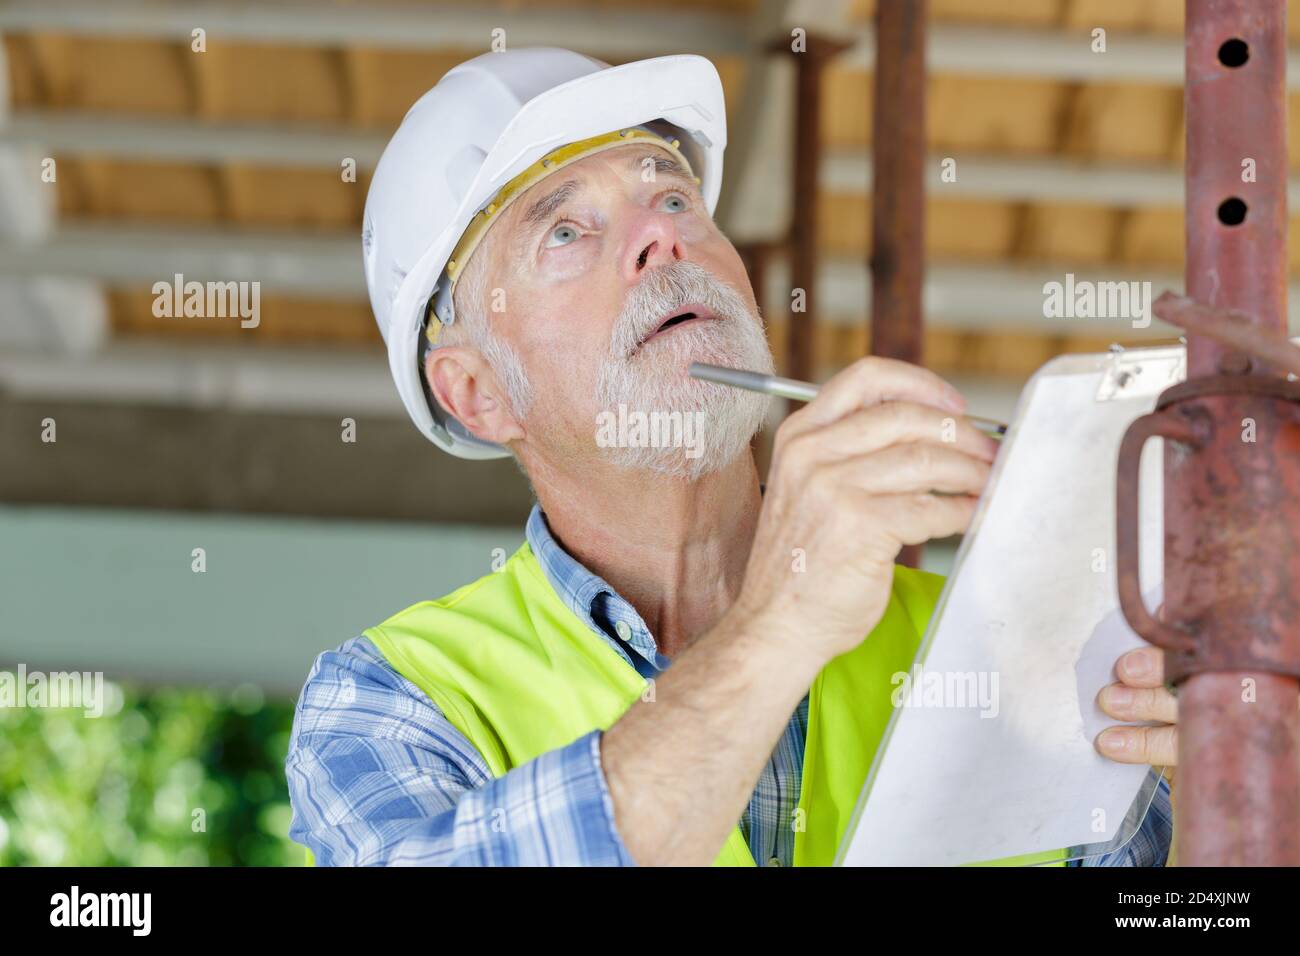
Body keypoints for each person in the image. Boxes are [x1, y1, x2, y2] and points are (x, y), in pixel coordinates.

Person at [285, 48, 1173, 866]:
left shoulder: (1017, 650)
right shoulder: (391, 701)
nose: (661, 238)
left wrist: (1239, 805)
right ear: (477, 393)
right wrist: (780, 625)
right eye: (565, 232)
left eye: (671, 197)